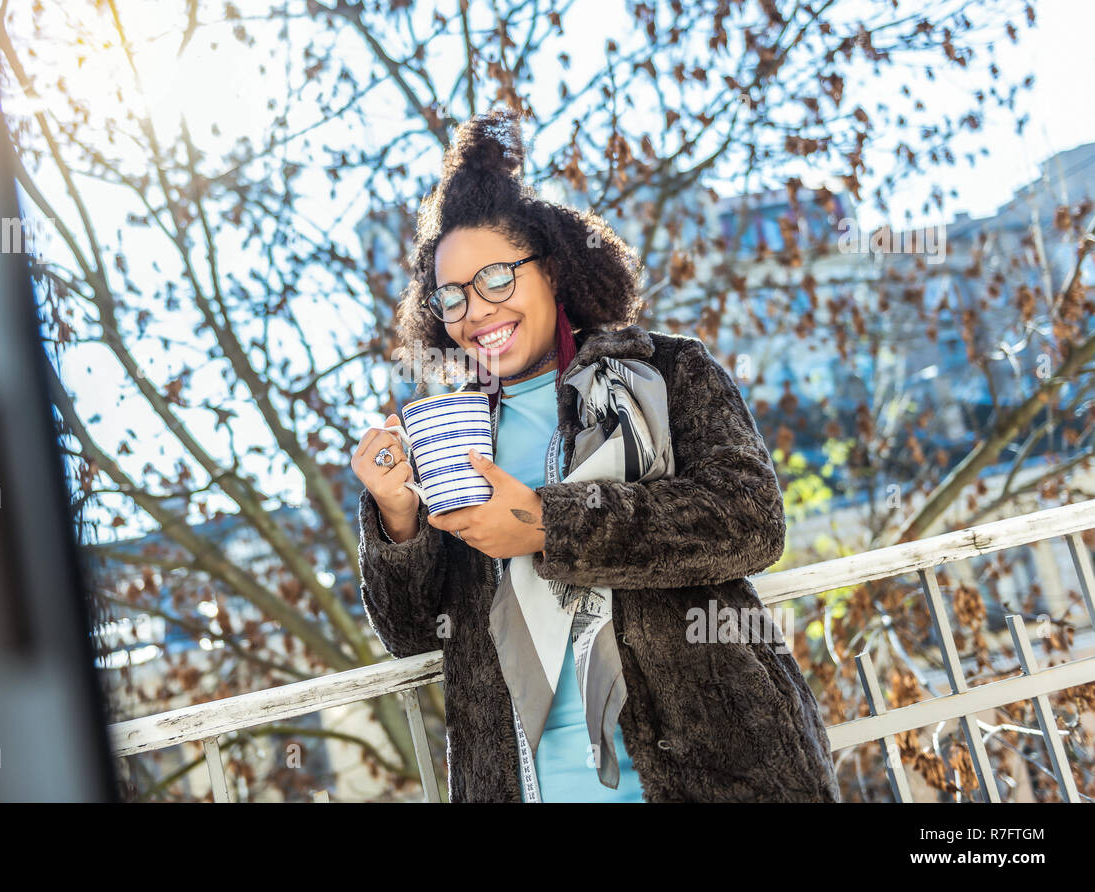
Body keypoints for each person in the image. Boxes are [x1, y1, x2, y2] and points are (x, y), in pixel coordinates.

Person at [350, 107, 841, 802]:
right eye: (450, 295)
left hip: (711, 778)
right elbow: (411, 632)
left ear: (550, 268)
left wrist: (552, 526)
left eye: (496, 278)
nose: (474, 310)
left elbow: (750, 521)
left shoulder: (667, 373)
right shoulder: (452, 435)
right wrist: (397, 517)